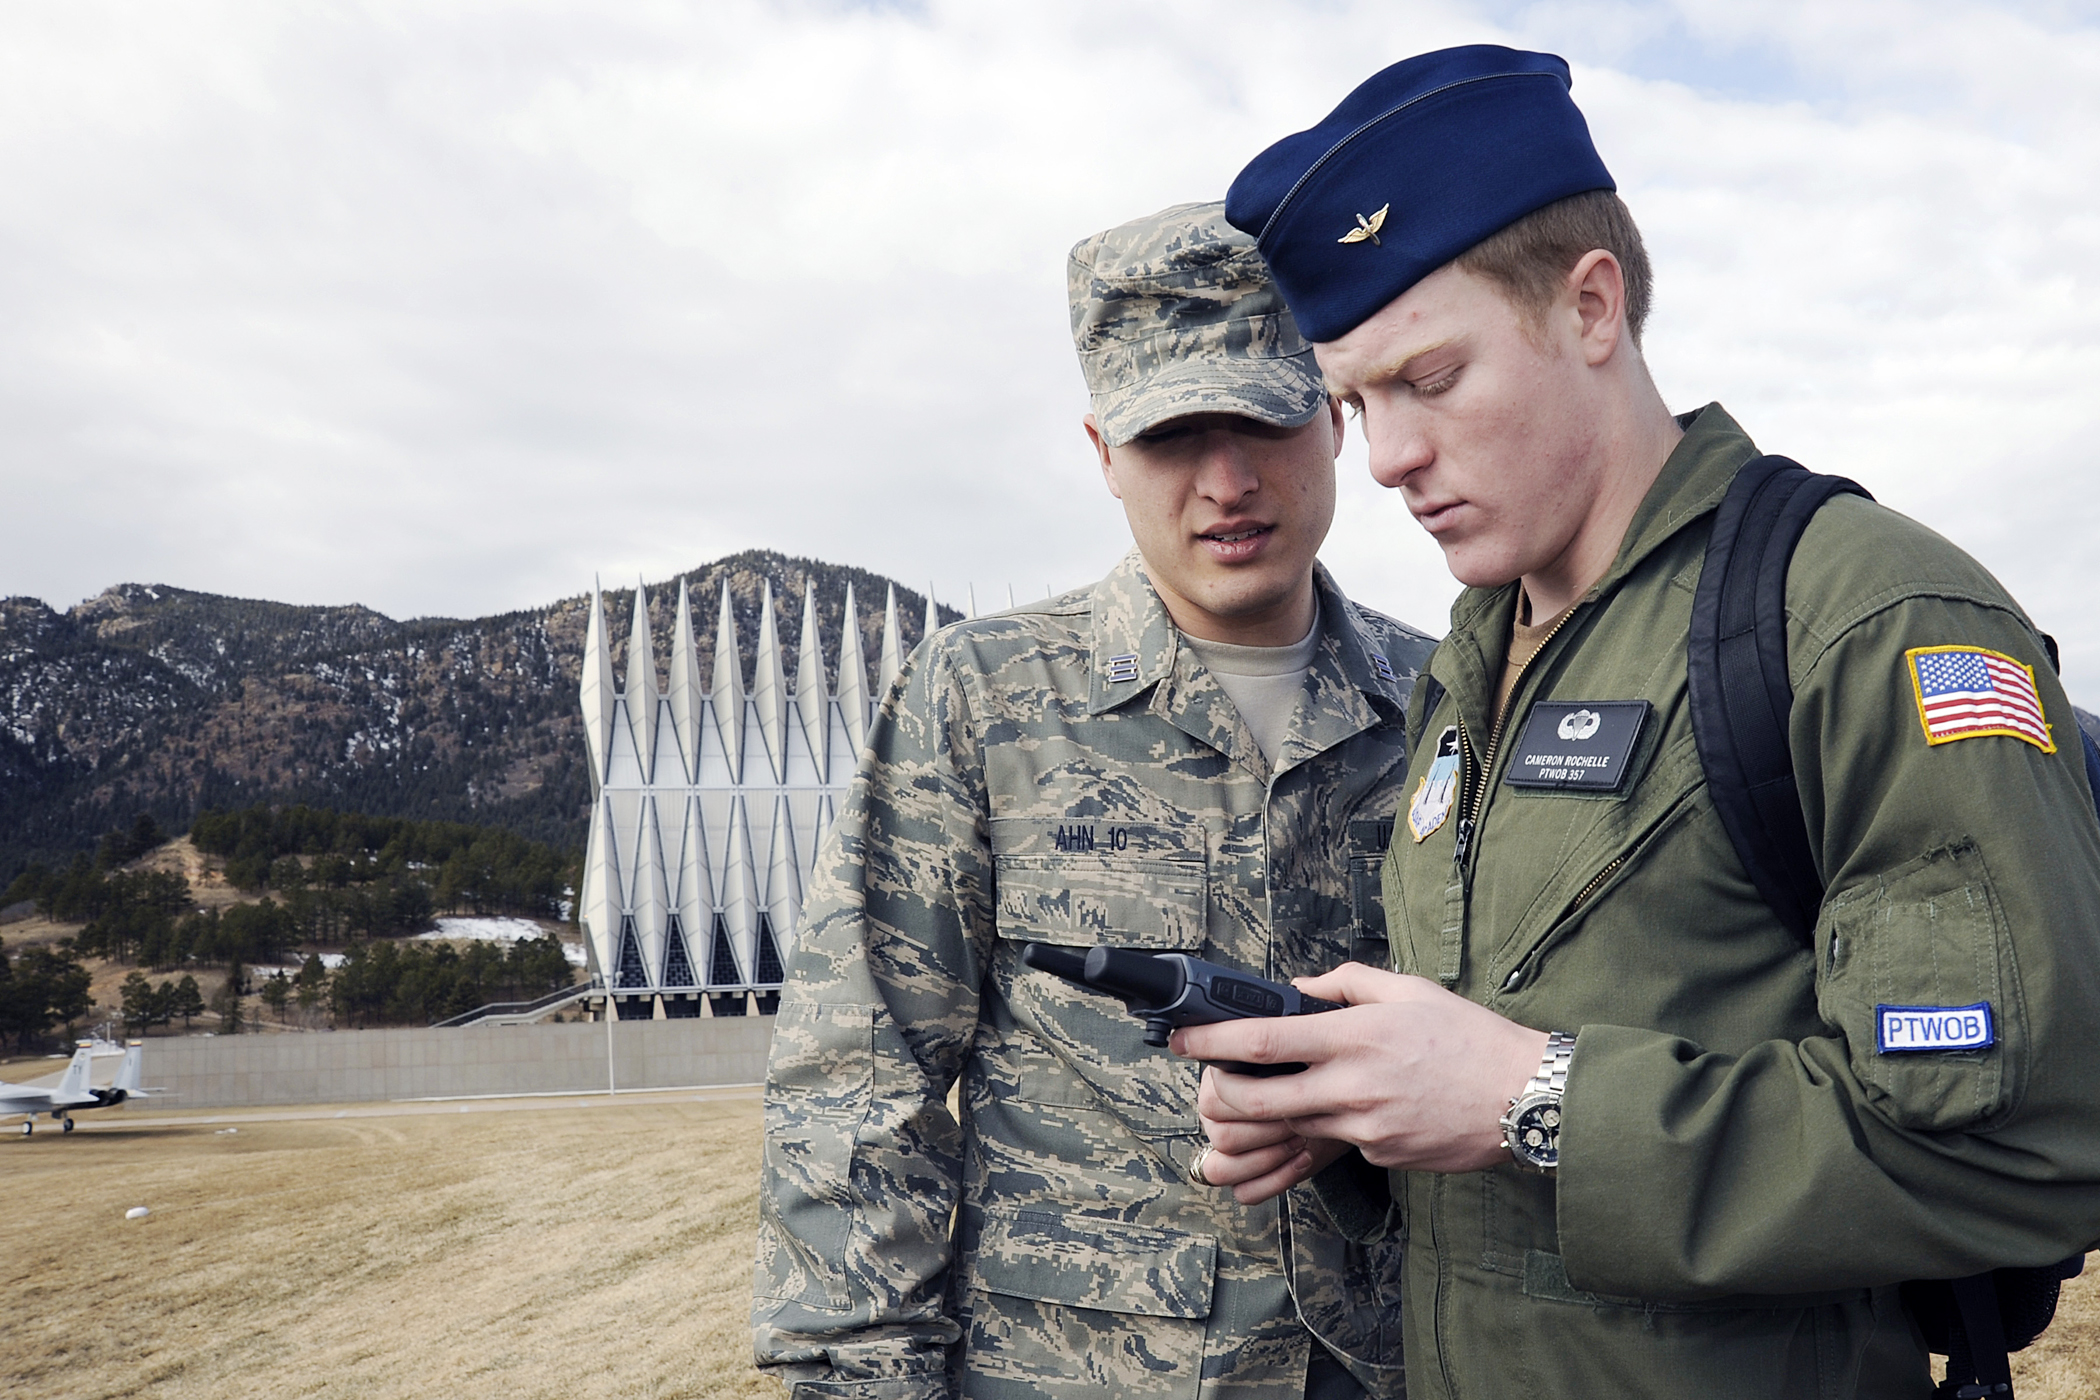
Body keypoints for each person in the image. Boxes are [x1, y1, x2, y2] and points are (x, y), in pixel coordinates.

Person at [1177, 44, 2100, 1399]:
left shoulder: (1859, 621)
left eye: (1429, 379)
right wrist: (1361, 1110)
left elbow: (2030, 1151)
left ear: (1590, 308)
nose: (1385, 458)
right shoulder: (1466, 670)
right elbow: (1546, 1043)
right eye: (1353, 402)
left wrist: (1529, 1098)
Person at [751, 202, 1436, 1398]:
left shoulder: (1442, 704)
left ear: (1333, 415)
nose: (1227, 480)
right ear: (1102, 451)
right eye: (1175, 436)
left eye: (1261, 417)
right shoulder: (983, 697)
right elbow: (860, 1084)